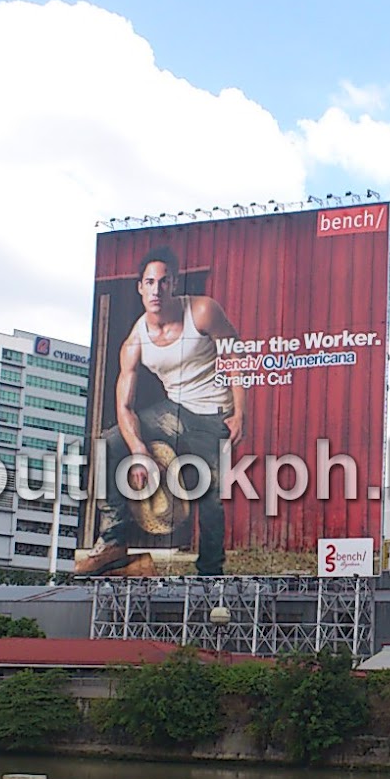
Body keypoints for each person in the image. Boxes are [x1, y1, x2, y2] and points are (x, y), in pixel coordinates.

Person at [76, 245, 245, 577]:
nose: (156, 290)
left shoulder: (202, 311)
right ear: (140, 287)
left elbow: (236, 358)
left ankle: (210, 571)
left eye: (163, 282)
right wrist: (138, 450)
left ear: (174, 284)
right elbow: (124, 405)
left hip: (212, 412)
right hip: (174, 410)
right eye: (149, 282)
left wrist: (241, 413)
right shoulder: (136, 340)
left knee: (209, 491)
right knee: (109, 444)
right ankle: (113, 540)